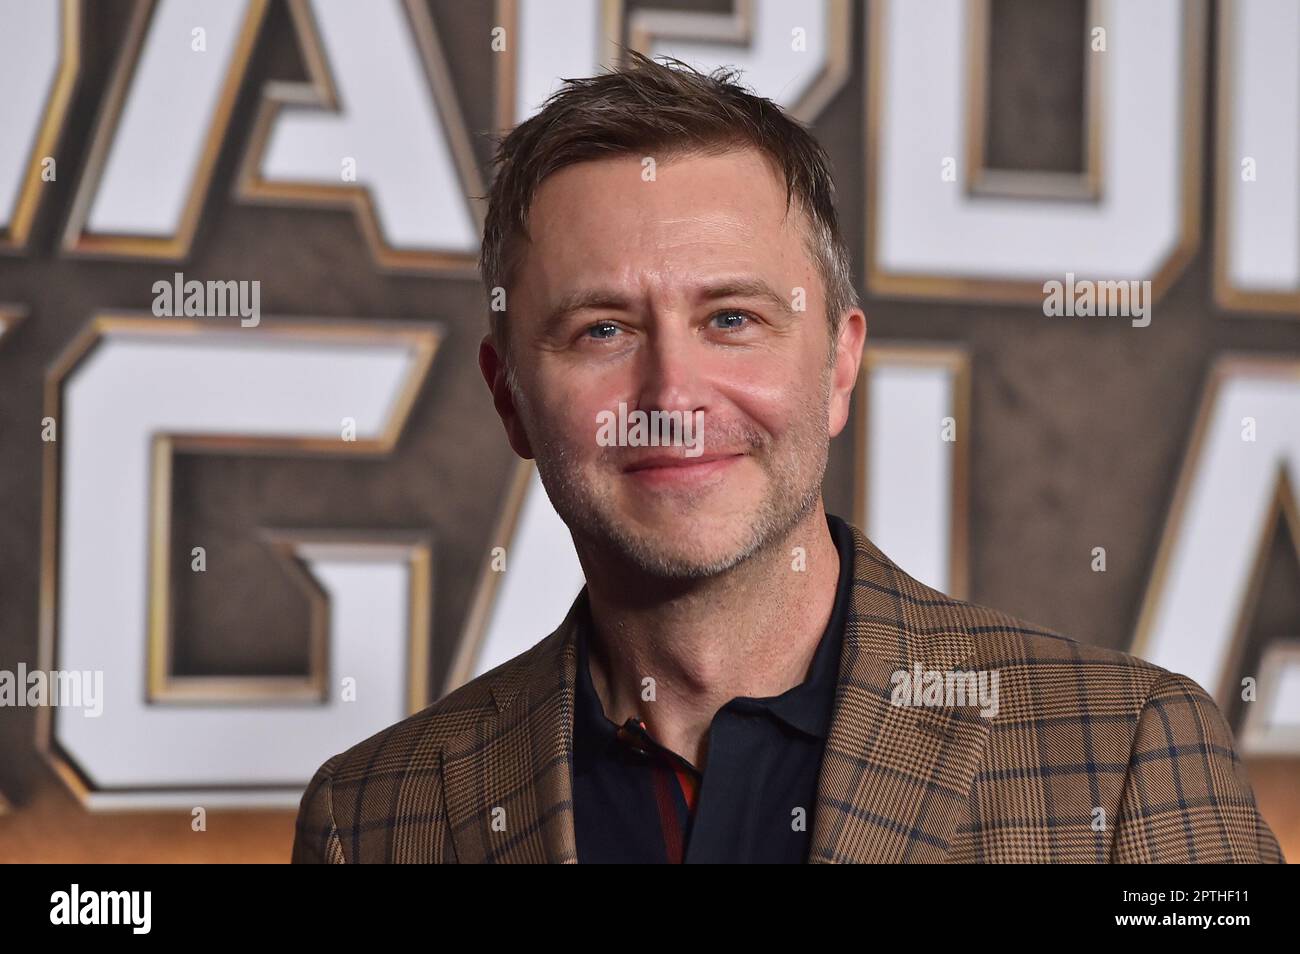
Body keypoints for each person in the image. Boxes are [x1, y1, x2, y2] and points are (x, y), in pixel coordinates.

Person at [292, 53, 1283, 864]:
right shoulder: (375, 816)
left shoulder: (1124, 757)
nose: (671, 397)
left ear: (839, 362)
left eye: (731, 319)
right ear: (509, 395)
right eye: (601, 331)